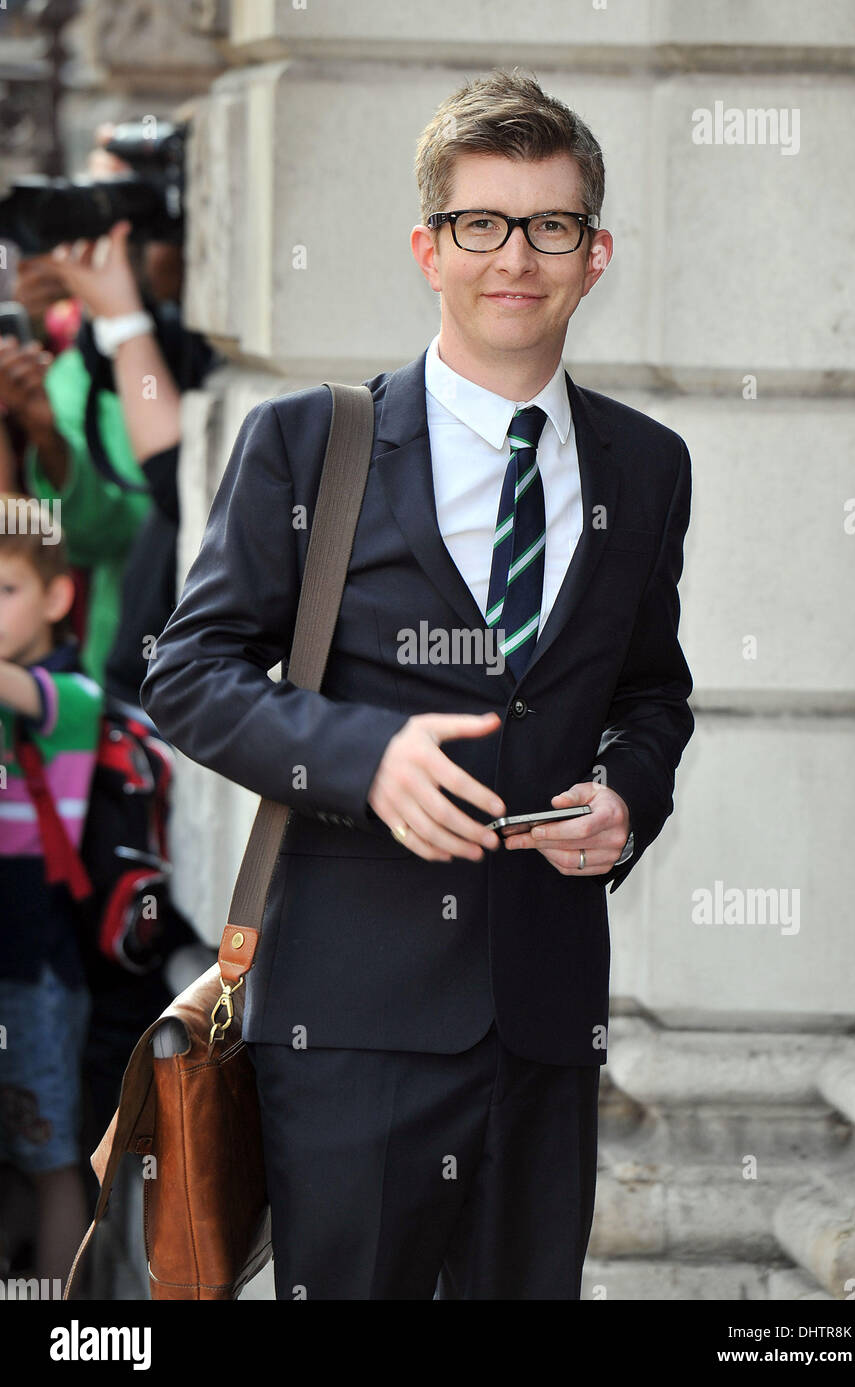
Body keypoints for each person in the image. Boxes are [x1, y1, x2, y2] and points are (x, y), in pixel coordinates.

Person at [140, 68, 695, 1300]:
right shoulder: (309, 441)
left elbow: (652, 695)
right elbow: (186, 674)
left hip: (546, 1021)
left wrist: (623, 799)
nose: (515, 256)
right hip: (346, 1023)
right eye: (479, 223)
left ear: (593, 254)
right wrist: (361, 759)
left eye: (549, 225)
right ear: (426, 247)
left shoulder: (647, 467)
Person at [0, 495, 102, 1293]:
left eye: (5, 591)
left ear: (58, 597)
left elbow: (29, 699)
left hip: (37, 971)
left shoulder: (70, 699)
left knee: (51, 1151)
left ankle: (66, 1316)